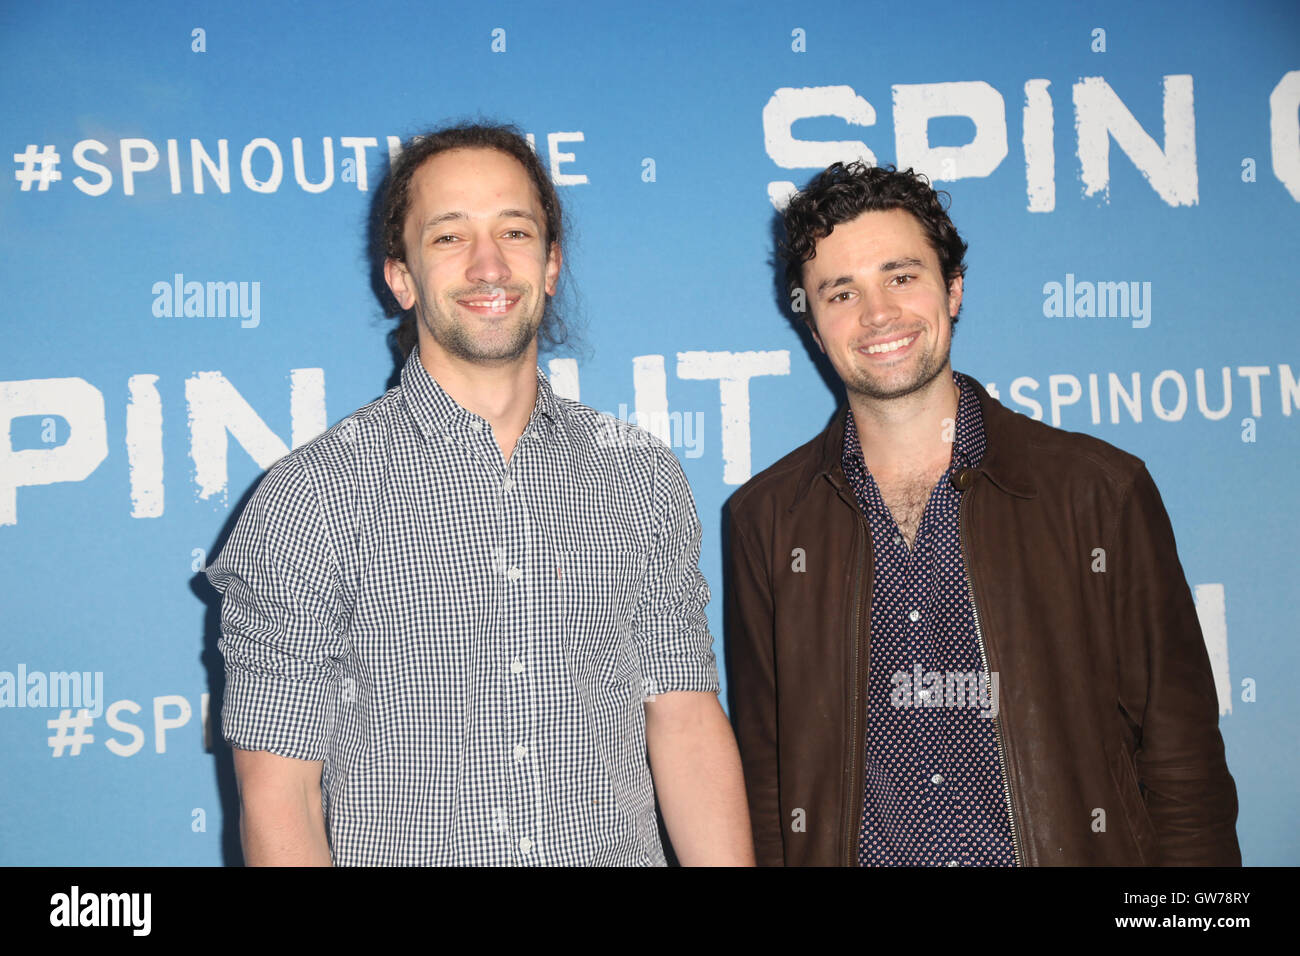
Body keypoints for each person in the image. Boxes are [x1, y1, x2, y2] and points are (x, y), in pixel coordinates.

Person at [206, 122, 753, 866]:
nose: (488, 265)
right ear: (400, 275)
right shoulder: (308, 499)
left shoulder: (639, 475)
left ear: (552, 264)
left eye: (516, 232)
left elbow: (685, 720)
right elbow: (280, 796)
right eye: (449, 238)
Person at [725, 161, 1240, 866]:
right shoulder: (766, 519)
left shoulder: (1097, 491)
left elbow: (1183, 761)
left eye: (901, 276)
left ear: (953, 288)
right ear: (812, 324)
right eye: (841, 292)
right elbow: (768, 775)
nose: (877, 314)